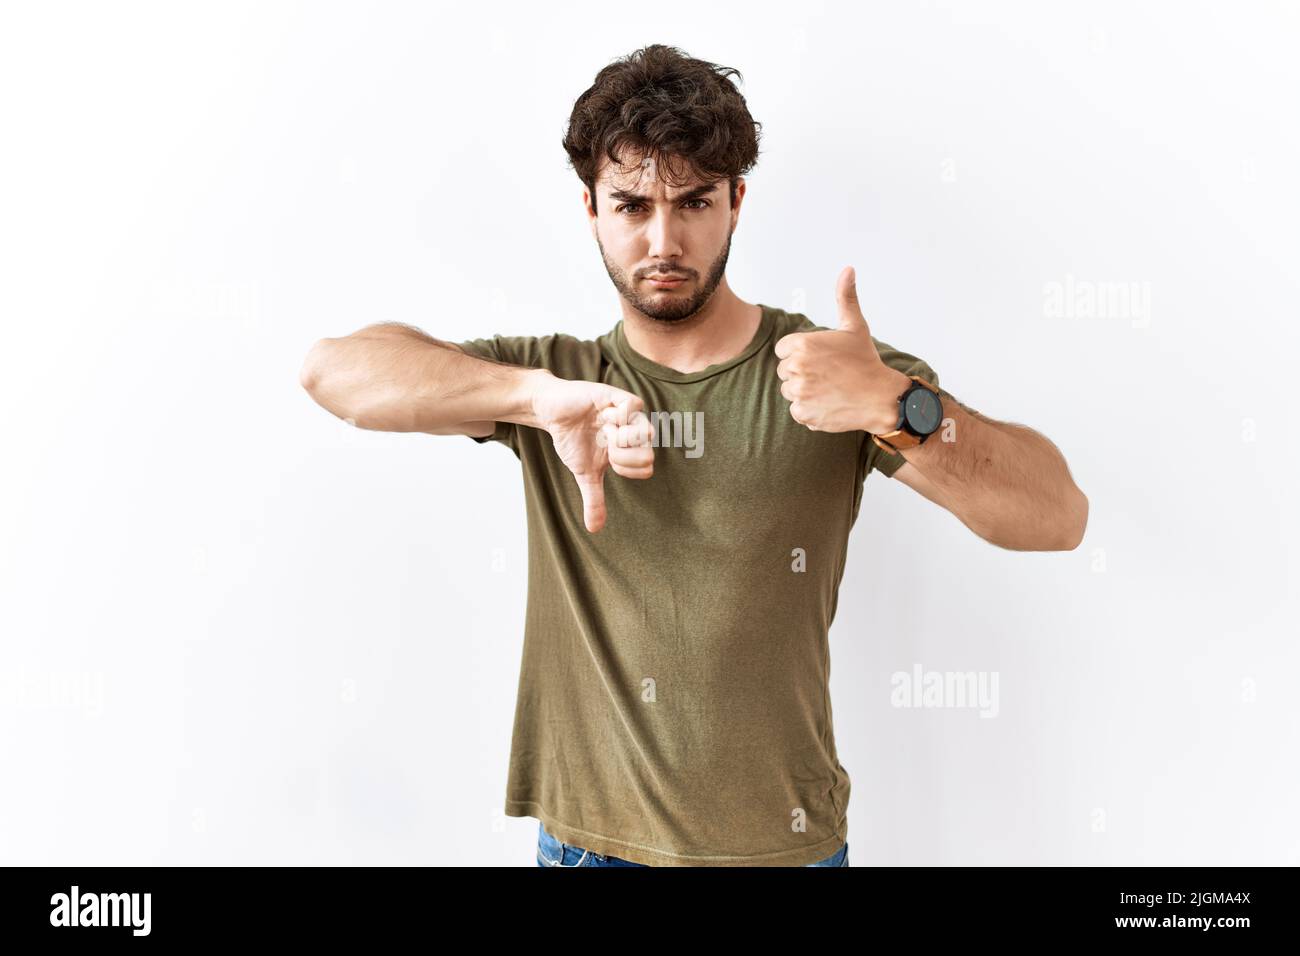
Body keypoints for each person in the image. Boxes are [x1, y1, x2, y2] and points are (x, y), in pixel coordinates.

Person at [299, 44, 1088, 867]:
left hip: (783, 852)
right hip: (585, 852)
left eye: (694, 202)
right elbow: (334, 373)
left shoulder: (832, 374)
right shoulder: (557, 378)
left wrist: (898, 408)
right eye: (632, 205)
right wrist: (532, 400)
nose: (664, 240)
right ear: (592, 209)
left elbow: (1057, 516)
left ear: (738, 201)